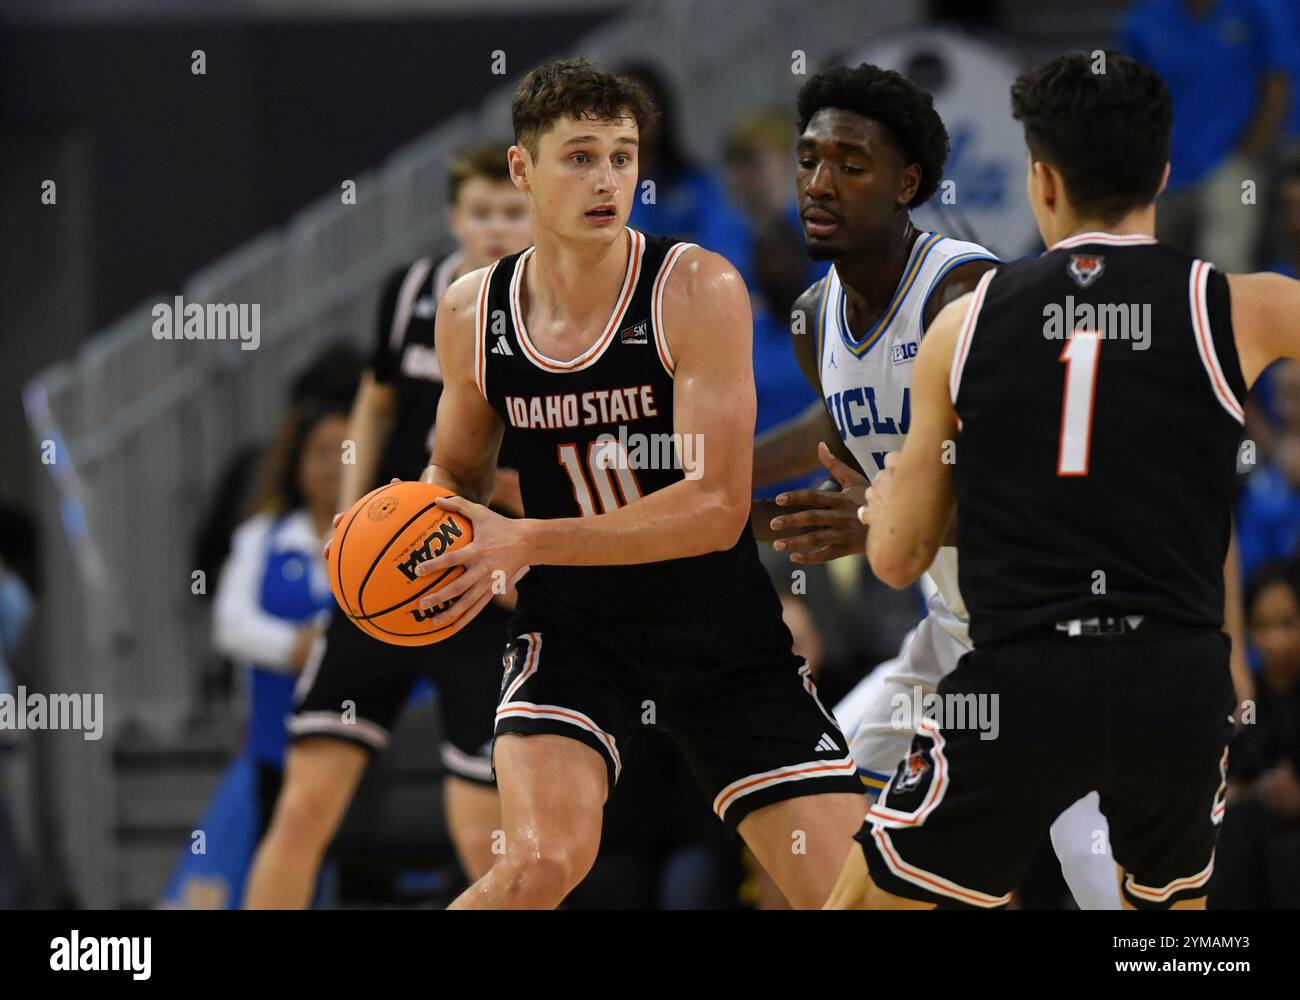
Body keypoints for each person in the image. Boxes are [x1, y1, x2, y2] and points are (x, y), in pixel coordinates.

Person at [832, 49, 1300, 910]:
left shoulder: (962, 329)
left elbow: (896, 561)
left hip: (1022, 685)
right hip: (1179, 681)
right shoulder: (1244, 305)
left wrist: (886, 501)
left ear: (1041, 181)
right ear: (1163, 171)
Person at [397, 58, 864, 910]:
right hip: (575, 632)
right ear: (521, 170)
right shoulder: (473, 311)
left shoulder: (695, 287)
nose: (607, 178)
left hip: (716, 627)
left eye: (622, 155)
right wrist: (405, 525)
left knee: (853, 895)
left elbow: (717, 509)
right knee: (539, 863)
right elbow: (456, 474)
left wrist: (525, 539)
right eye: (579, 156)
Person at [746, 62, 1124, 909]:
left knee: (1107, 887)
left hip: (1053, 634)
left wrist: (885, 524)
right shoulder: (814, 319)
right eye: (808, 160)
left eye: (850, 164)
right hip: (953, 637)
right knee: (804, 787)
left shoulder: (967, 292)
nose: (818, 183)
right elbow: (842, 425)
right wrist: (715, 473)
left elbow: (1039, 492)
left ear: (907, 182)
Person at [243, 143, 532, 908]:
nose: (496, 227)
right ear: (454, 219)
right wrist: (351, 503)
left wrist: (524, 530)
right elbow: (373, 402)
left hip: (477, 586)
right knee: (304, 807)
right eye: (482, 212)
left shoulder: (549, 314)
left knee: (484, 832)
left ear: (536, 214)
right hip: (385, 574)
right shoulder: (411, 293)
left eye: (511, 212)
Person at [1121, 0, 1293, 272]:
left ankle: (1227, 311)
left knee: (1227, 256)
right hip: (1165, 167)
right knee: (1141, 263)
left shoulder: (1256, 11)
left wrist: (1249, 154)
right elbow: (1128, 96)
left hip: (1235, 165)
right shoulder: (1145, 19)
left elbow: (1276, 83)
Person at [1210, 560, 1300, 907]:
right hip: (1245, 856)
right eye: (1263, 626)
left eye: (1287, 623)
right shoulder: (1244, 699)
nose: (1276, 640)